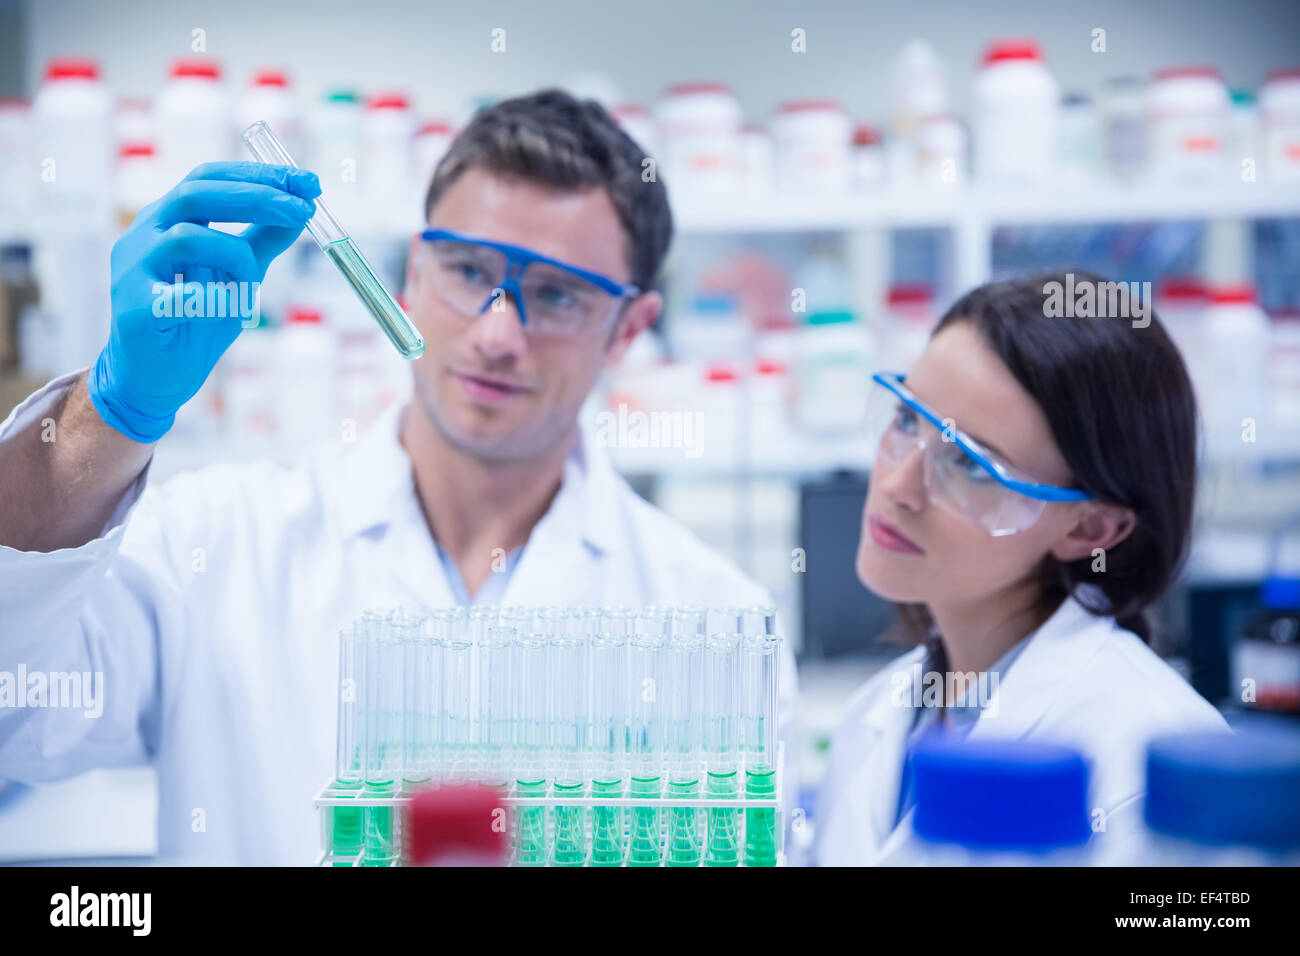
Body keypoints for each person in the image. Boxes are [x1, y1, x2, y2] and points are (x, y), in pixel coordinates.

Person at [0, 90, 798, 864]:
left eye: (556, 294)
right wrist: (110, 414)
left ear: (629, 328)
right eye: (466, 270)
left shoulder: (711, 621)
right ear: (414, 271)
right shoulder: (215, 545)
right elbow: (18, 711)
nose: (497, 333)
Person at [812, 272, 1229, 866]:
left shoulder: (1148, 756)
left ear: (1089, 528)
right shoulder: (875, 717)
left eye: (973, 466)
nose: (899, 485)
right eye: (907, 420)